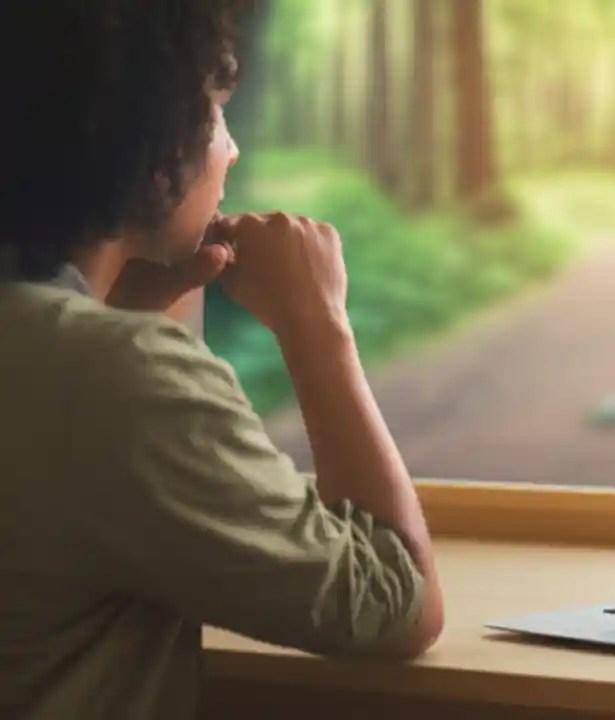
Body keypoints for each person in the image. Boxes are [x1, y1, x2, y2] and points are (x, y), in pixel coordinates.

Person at [0, 2, 445, 717]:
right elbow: (397, 603)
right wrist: (317, 323)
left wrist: (113, 313)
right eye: (216, 115)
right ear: (158, 157)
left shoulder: (78, 360)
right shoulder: (124, 379)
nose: (231, 151)